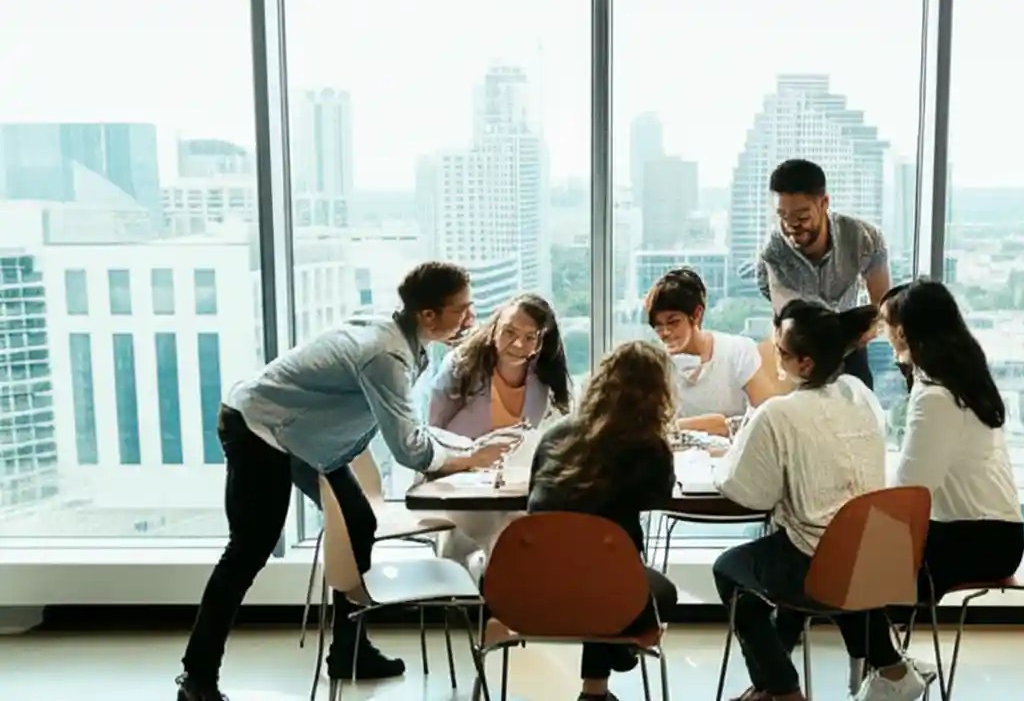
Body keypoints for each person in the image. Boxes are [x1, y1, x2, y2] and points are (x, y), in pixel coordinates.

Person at [176, 262, 514, 701]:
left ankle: (349, 651)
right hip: (260, 427)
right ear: (427, 315)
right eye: (462, 310)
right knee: (247, 551)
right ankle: (197, 678)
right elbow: (409, 449)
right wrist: (469, 457)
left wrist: (471, 451)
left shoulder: (403, 340)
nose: (471, 319)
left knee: (359, 522)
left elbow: (409, 428)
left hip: (302, 435)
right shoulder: (386, 355)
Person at [713, 300, 928, 701]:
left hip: (819, 563)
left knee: (731, 570)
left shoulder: (779, 413)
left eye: (780, 352)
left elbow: (745, 491)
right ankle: (893, 668)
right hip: (874, 553)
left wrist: (732, 451)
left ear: (805, 363)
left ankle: (782, 691)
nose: (773, 357)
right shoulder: (860, 393)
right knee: (812, 552)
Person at [527, 341, 680, 701]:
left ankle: (594, 691)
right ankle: (618, 651)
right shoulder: (649, 448)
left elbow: (531, 500)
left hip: (530, 587)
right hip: (608, 592)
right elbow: (660, 497)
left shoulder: (555, 436)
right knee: (641, 586)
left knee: (593, 568)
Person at [879, 280, 1024, 651]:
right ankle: (887, 668)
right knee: (868, 558)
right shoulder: (962, 382)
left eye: (885, 325)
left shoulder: (935, 397)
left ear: (902, 332)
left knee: (861, 565)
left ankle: (888, 670)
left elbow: (911, 491)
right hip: (996, 534)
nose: (882, 334)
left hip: (975, 540)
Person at [426, 293, 572, 567]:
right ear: (495, 327)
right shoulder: (461, 368)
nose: (518, 344)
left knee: (526, 530)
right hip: (459, 488)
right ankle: (466, 601)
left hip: (512, 491)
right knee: (497, 535)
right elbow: (432, 436)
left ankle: (506, 600)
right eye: (510, 332)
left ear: (541, 343)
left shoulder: (543, 382)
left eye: (531, 337)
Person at [753, 158, 892, 390]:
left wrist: (862, 330)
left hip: (849, 344)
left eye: (801, 217)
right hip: (799, 349)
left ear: (824, 203)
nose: (790, 226)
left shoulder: (863, 238)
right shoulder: (773, 251)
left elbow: (884, 305)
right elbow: (787, 320)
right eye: (782, 216)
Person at [645, 268, 781, 437]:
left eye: (673, 322)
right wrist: (713, 424)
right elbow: (650, 427)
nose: (664, 332)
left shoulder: (736, 351)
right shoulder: (653, 366)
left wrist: (721, 425)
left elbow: (770, 414)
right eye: (658, 325)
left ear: (697, 314)